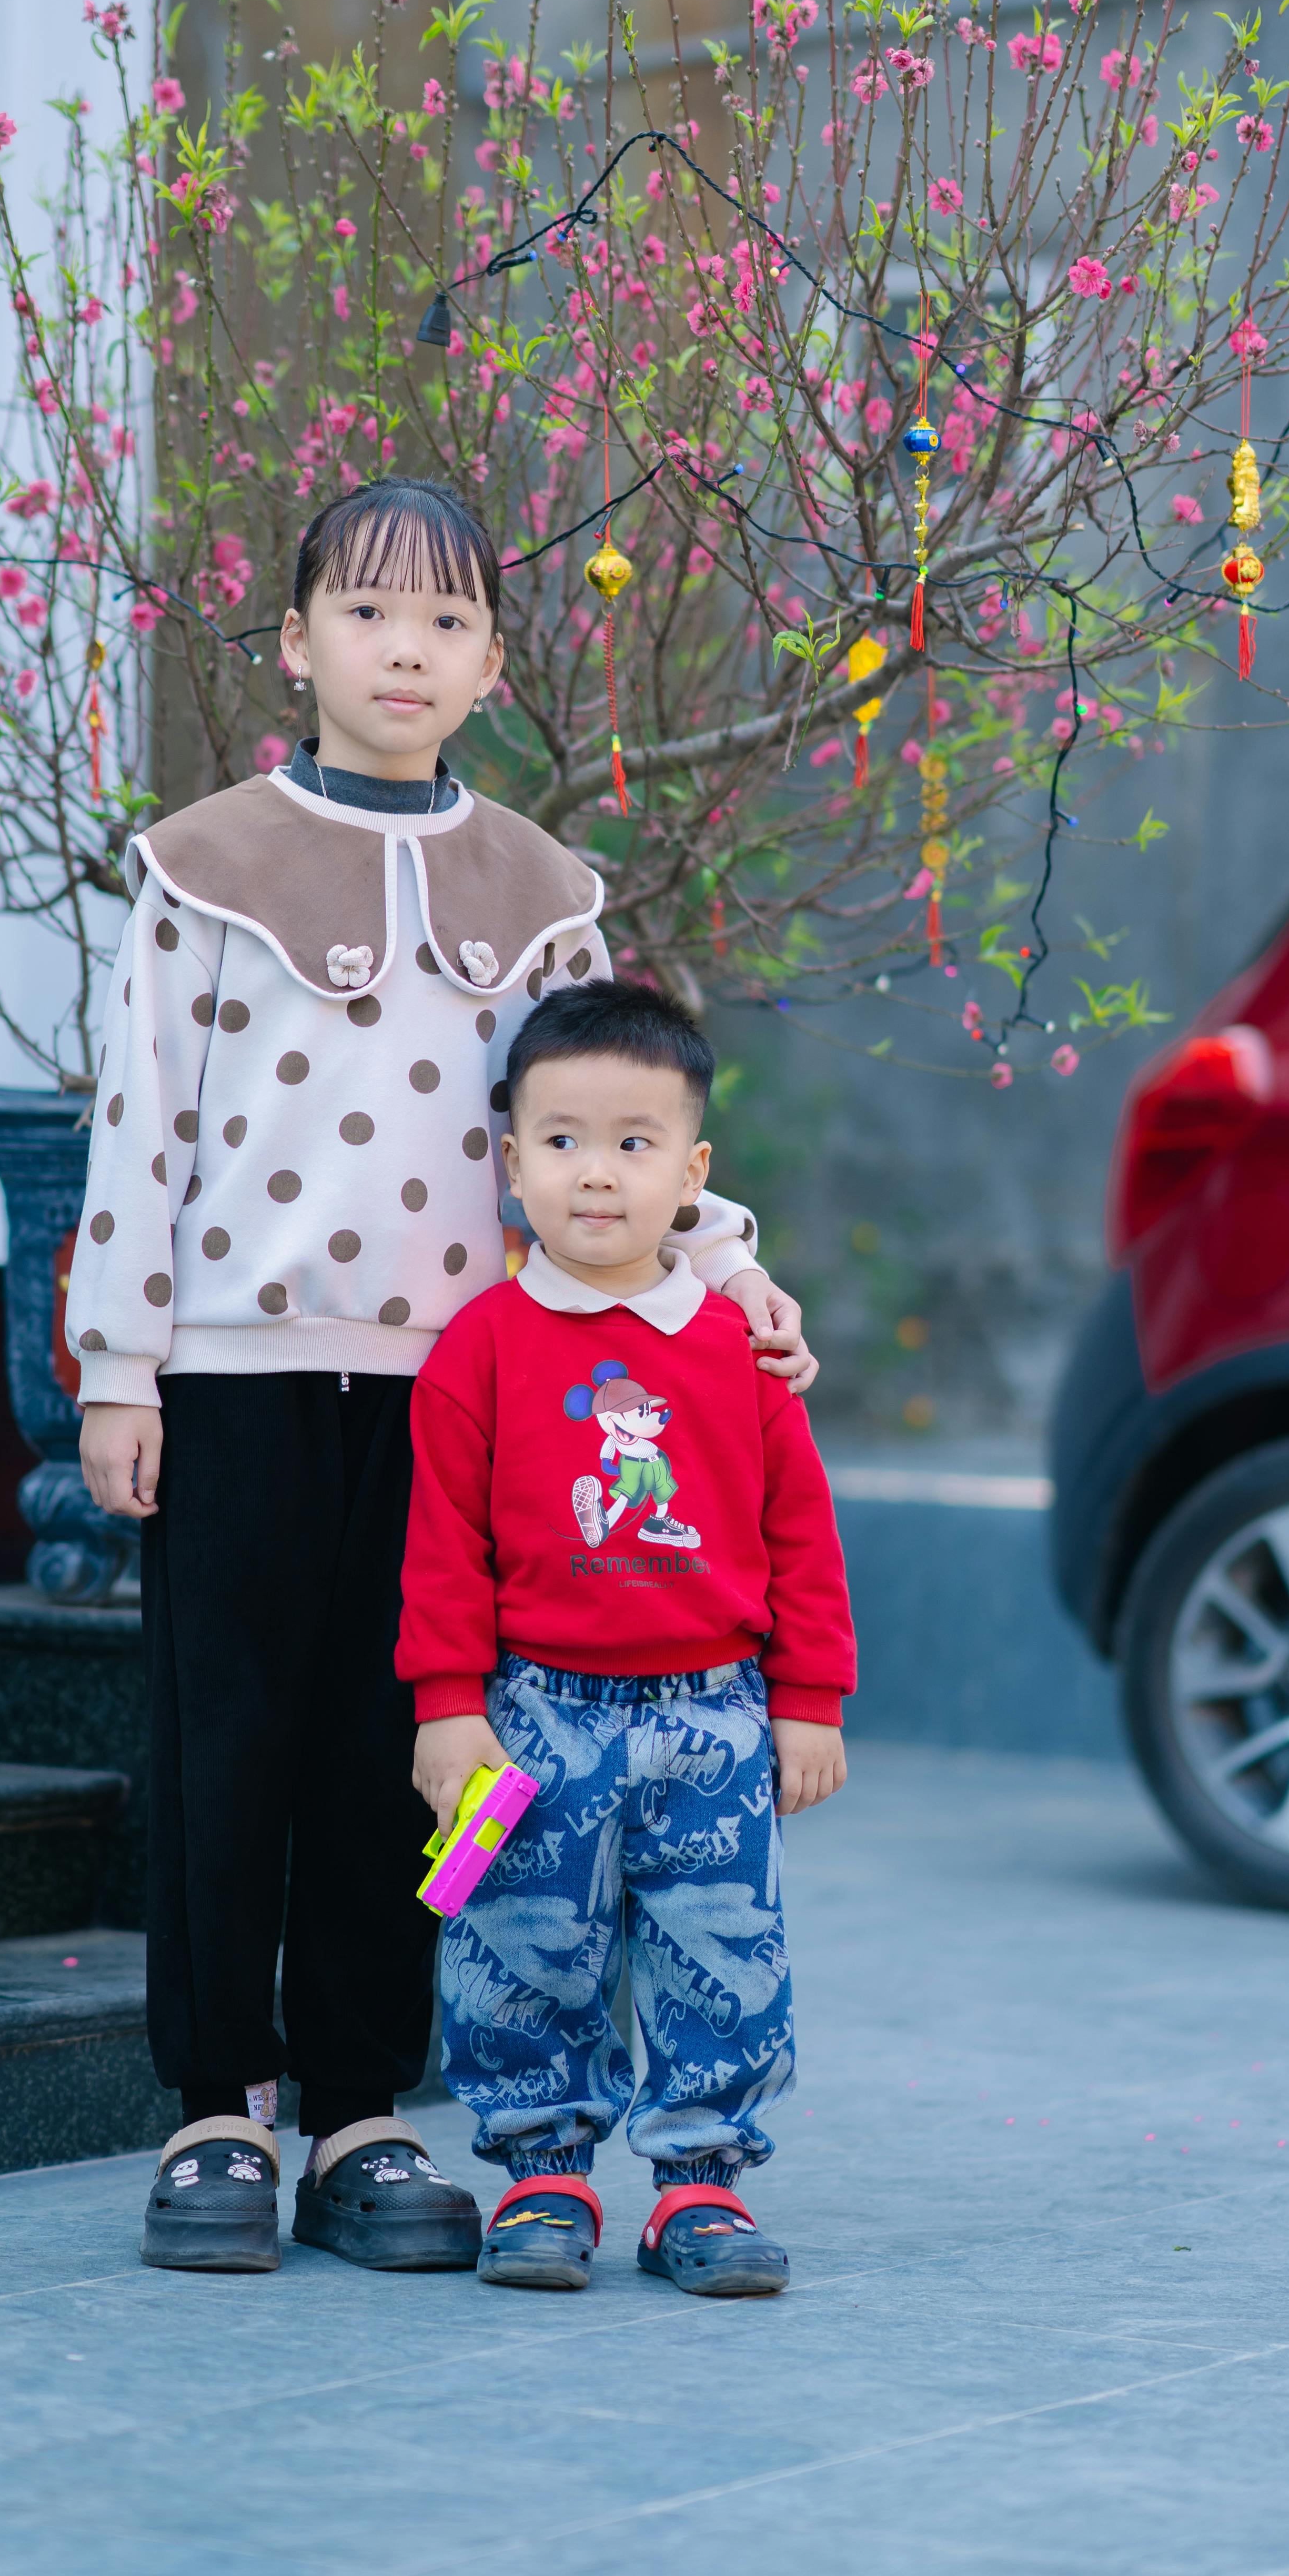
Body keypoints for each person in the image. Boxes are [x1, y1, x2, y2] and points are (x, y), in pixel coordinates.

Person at [66, 476, 816, 2275]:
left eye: (451, 621)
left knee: (430, 1760)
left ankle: (369, 2108)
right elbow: (139, 1124)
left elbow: (603, 1126)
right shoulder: (202, 865)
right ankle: (217, 2108)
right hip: (236, 1376)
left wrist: (727, 1265)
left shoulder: (542, 895)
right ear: (297, 640)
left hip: (475, 1399)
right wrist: (119, 1364)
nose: (407, 651)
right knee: (225, 1747)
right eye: (371, 613)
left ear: (492, 661)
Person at [398, 977, 854, 2298]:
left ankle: (700, 2187)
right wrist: (447, 1706)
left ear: (692, 1175)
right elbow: (443, 1548)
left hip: (712, 1714)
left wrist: (807, 1699)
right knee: (512, 1946)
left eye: (633, 1143)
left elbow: (799, 1534)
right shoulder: (480, 1348)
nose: (594, 1174)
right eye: (561, 1140)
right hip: (531, 1717)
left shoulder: (735, 1346)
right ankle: (540, 2175)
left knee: (721, 1957)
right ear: (511, 1163)